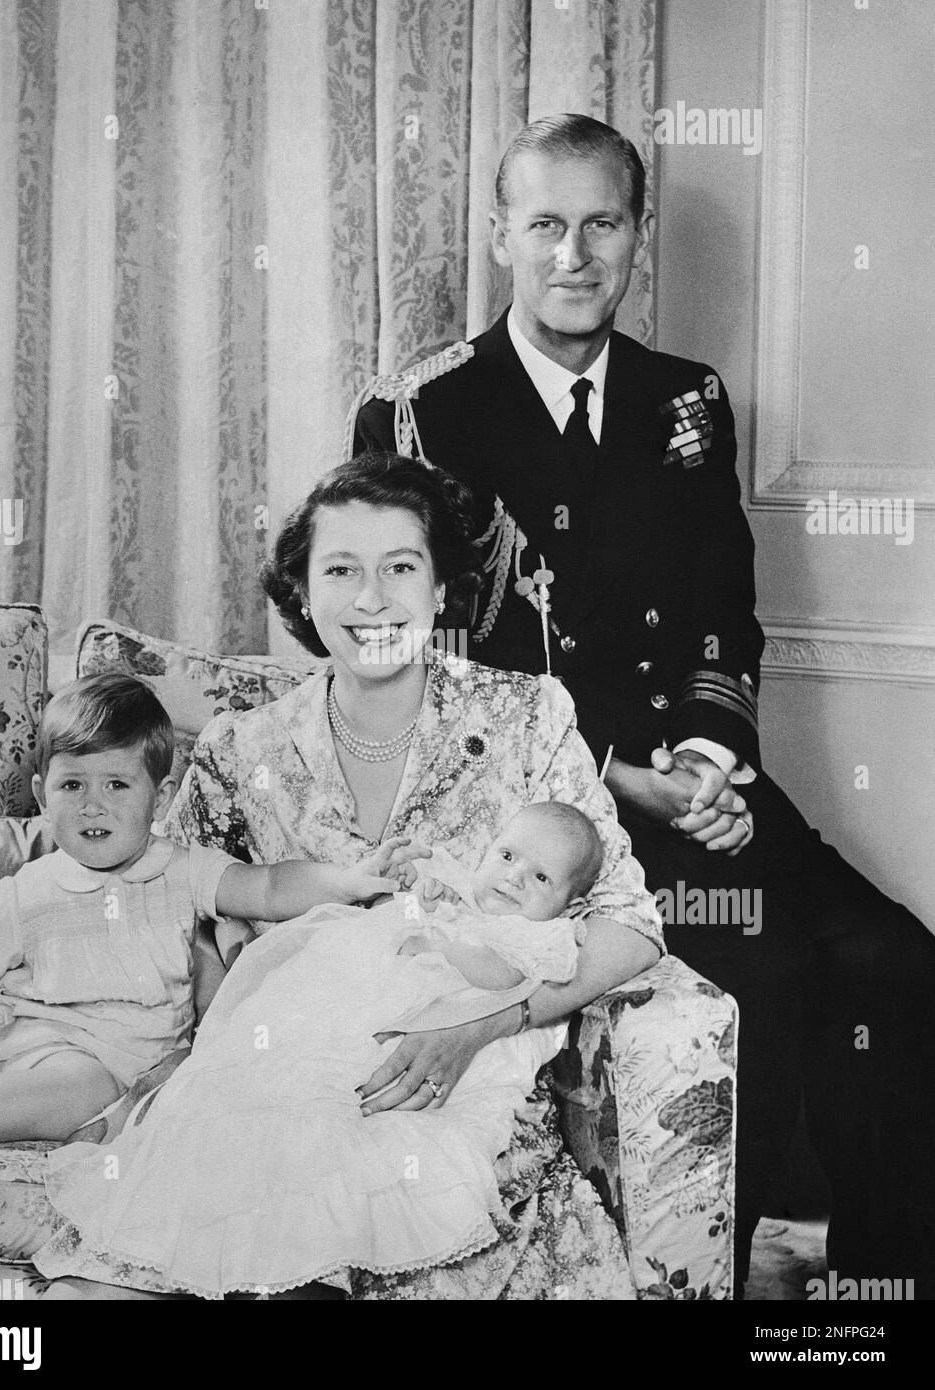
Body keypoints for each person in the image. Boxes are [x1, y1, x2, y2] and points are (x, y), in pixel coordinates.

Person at [354, 113, 935, 1295]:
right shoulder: (423, 413)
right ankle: (712, 1288)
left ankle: (872, 1300)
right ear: (502, 238)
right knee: (760, 973)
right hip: (550, 814)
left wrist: (717, 753)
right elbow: (416, 660)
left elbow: (726, 599)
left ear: (637, 238)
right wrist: (618, 771)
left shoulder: (690, 398)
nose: (574, 254)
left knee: (894, 958)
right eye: (547, 225)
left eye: (602, 225)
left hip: (694, 774)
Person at [38, 449, 663, 1299]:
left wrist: (479, 1023)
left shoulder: (525, 717)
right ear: (301, 592)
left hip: (456, 1121)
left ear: (441, 590)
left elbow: (629, 925)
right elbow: (165, 913)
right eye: (340, 570)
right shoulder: (239, 750)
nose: (372, 600)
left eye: (401, 568)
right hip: (278, 1100)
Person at [32, 803, 605, 1297]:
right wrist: (424, 904)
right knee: (274, 1079)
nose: (512, 879)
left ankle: (297, 1262)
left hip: (426, 1039)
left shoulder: (538, 939)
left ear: (569, 905)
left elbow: (498, 974)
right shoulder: (455, 892)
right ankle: (223, 1221)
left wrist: (441, 940)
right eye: (507, 857)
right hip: (356, 1012)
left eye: (540, 879)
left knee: (346, 1144)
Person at [0, 673, 420, 1183]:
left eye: (117, 784)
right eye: (71, 785)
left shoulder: (184, 869)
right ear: (42, 794)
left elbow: (269, 889)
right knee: (86, 1082)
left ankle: (102, 1132)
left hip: (150, 1058)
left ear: (161, 799)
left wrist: (351, 880)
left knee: (210, 1090)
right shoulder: (27, 895)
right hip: (45, 1045)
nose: (92, 804)